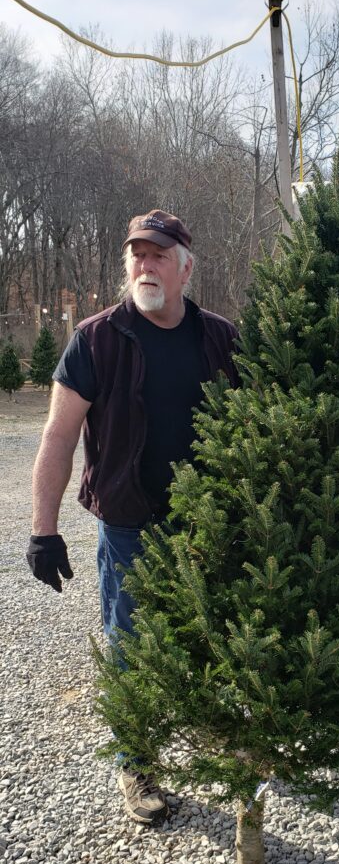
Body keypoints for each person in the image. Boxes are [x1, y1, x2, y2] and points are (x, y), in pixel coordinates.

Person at [27, 209, 239, 824]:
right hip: (128, 522)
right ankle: (137, 763)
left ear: (185, 268)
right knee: (130, 645)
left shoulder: (221, 339)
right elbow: (57, 437)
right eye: (136, 255)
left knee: (211, 632)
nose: (145, 265)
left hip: (210, 520)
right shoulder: (96, 340)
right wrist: (44, 530)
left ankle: (214, 739)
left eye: (159, 255)